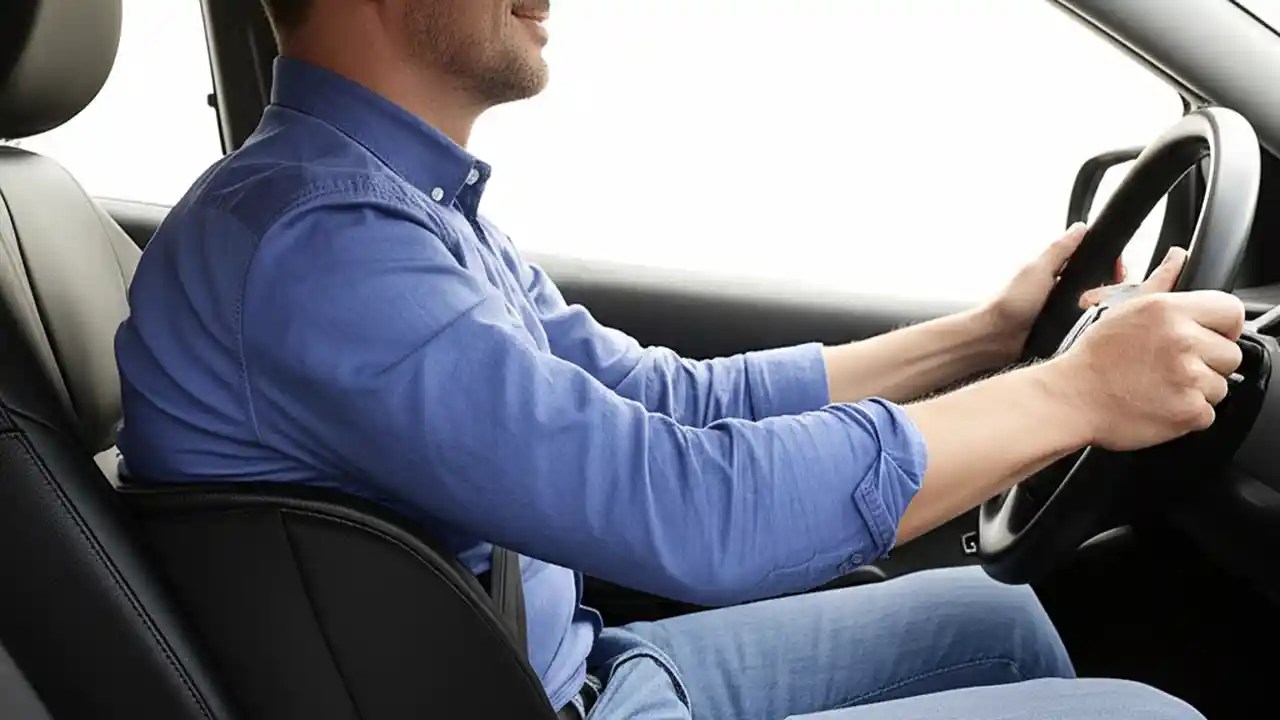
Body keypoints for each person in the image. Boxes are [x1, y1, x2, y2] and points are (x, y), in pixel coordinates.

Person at [113, 1, 1242, 718]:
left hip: (569, 667)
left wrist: (984, 338)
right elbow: (693, 510)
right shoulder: (320, 246)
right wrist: (1076, 391)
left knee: (1000, 621)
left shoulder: (397, 209)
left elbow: (662, 399)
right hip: (539, 698)